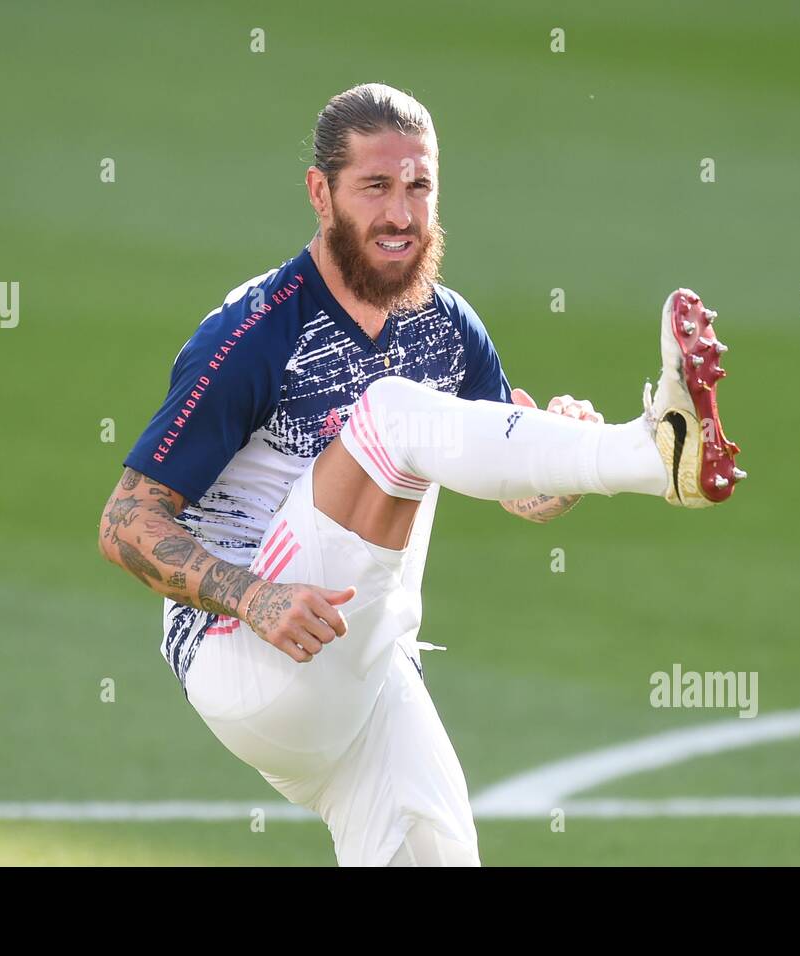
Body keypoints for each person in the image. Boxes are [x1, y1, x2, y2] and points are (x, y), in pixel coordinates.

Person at [98, 83, 744, 866]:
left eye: (419, 186)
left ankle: (631, 453)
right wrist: (253, 596)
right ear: (319, 193)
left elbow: (526, 497)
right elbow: (126, 520)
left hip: (367, 672)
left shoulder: (447, 324)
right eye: (374, 187)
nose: (401, 215)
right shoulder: (254, 333)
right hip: (247, 651)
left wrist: (558, 457)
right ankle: (649, 455)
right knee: (393, 416)